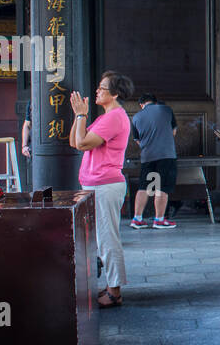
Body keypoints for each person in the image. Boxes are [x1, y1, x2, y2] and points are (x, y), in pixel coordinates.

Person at [70, 72, 136, 308]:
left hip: (105, 184)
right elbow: (74, 141)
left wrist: (80, 115)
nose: (97, 91)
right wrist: (79, 117)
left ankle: (114, 291)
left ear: (115, 94)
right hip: (96, 184)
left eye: (102, 88)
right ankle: (111, 286)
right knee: (101, 238)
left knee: (107, 238)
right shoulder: (105, 117)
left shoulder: (114, 118)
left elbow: (83, 143)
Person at [129, 92, 178, 229]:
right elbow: (173, 131)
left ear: (141, 104)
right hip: (166, 155)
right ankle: (159, 220)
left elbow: (137, 140)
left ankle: (137, 219)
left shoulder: (136, 117)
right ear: (155, 102)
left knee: (144, 187)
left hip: (147, 157)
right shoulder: (166, 110)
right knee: (162, 187)